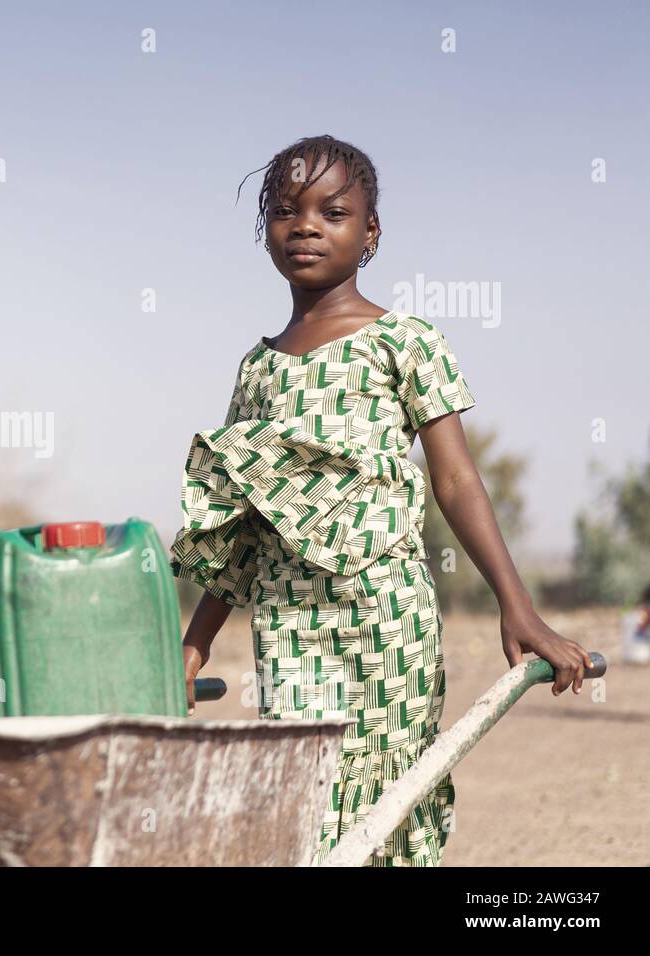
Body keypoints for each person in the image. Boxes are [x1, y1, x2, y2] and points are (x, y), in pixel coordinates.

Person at [168, 134, 594, 867]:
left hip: (385, 615)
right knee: (306, 802)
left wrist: (516, 606)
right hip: (290, 623)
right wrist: (195, 642)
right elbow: (239, 518)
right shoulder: (257, 369)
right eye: (284, 210)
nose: (305, 225)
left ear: (370, 234)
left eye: (332, 212)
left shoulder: (406, 343)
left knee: (394, 799)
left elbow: (456, 482)